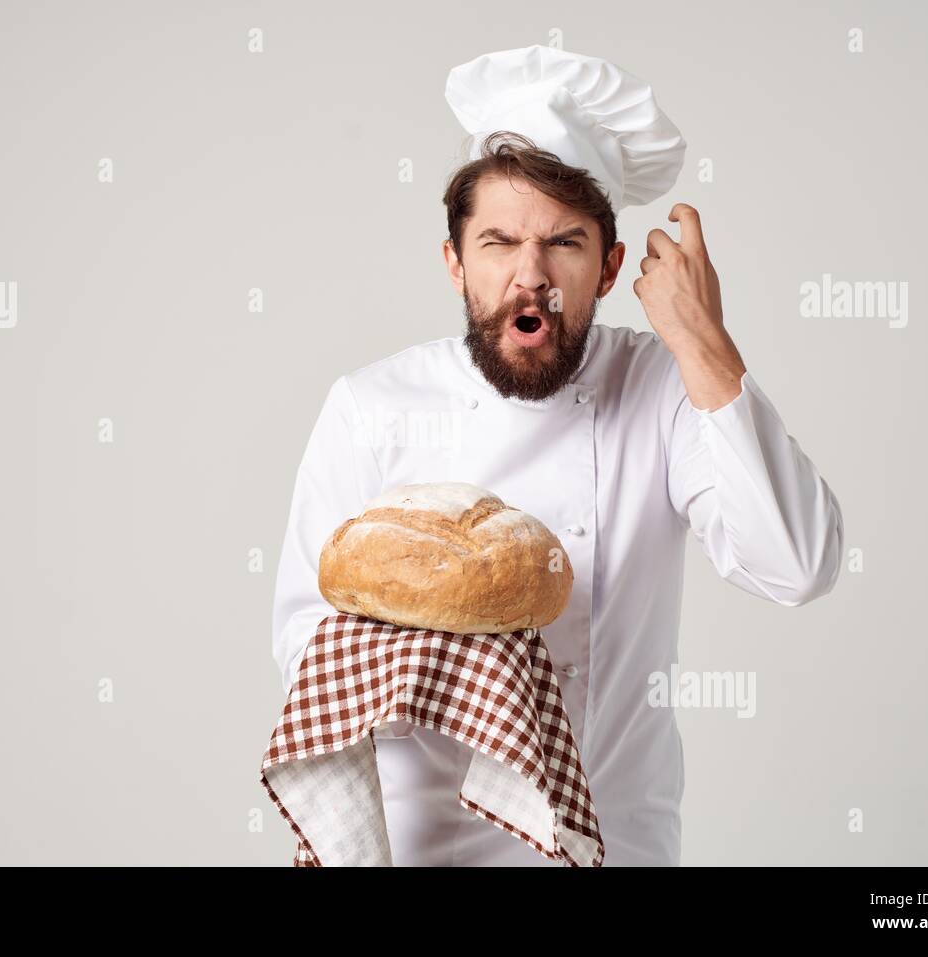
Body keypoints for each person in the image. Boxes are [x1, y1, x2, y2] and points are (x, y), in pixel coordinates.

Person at [271, 45, 844, 866]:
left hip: (614, 849)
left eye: (564, 244)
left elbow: (799, 565)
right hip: (417, 851)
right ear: (454, 261)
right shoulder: (371, 406)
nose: (529, 277)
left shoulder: (662, 389)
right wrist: (460, 665)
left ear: (610, 267)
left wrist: (705, 342)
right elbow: (305, 643)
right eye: (499, 242)